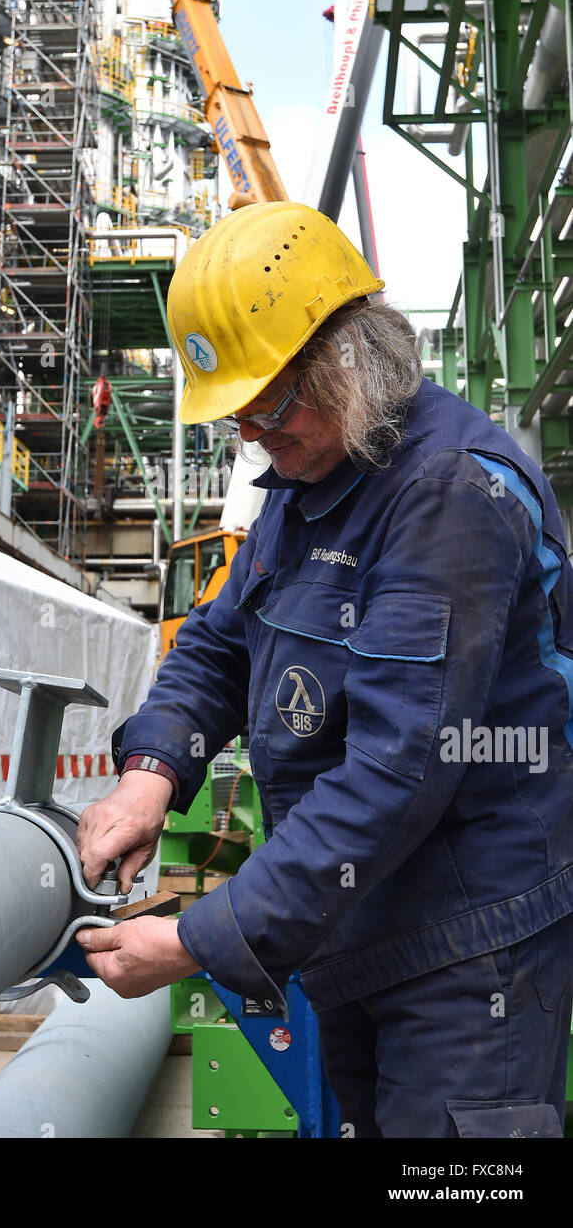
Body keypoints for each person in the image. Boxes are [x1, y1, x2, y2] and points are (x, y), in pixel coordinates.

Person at [75, 201, 573, 1139]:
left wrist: (193, 941)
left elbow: (401, 766)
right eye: (239, 417)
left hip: (469, 947)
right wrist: (153, 775)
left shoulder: (449, 492)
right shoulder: (307, 488)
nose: (255, 437)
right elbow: (220, 643)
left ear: (350, 359)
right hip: (356, 922)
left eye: (269, 407)